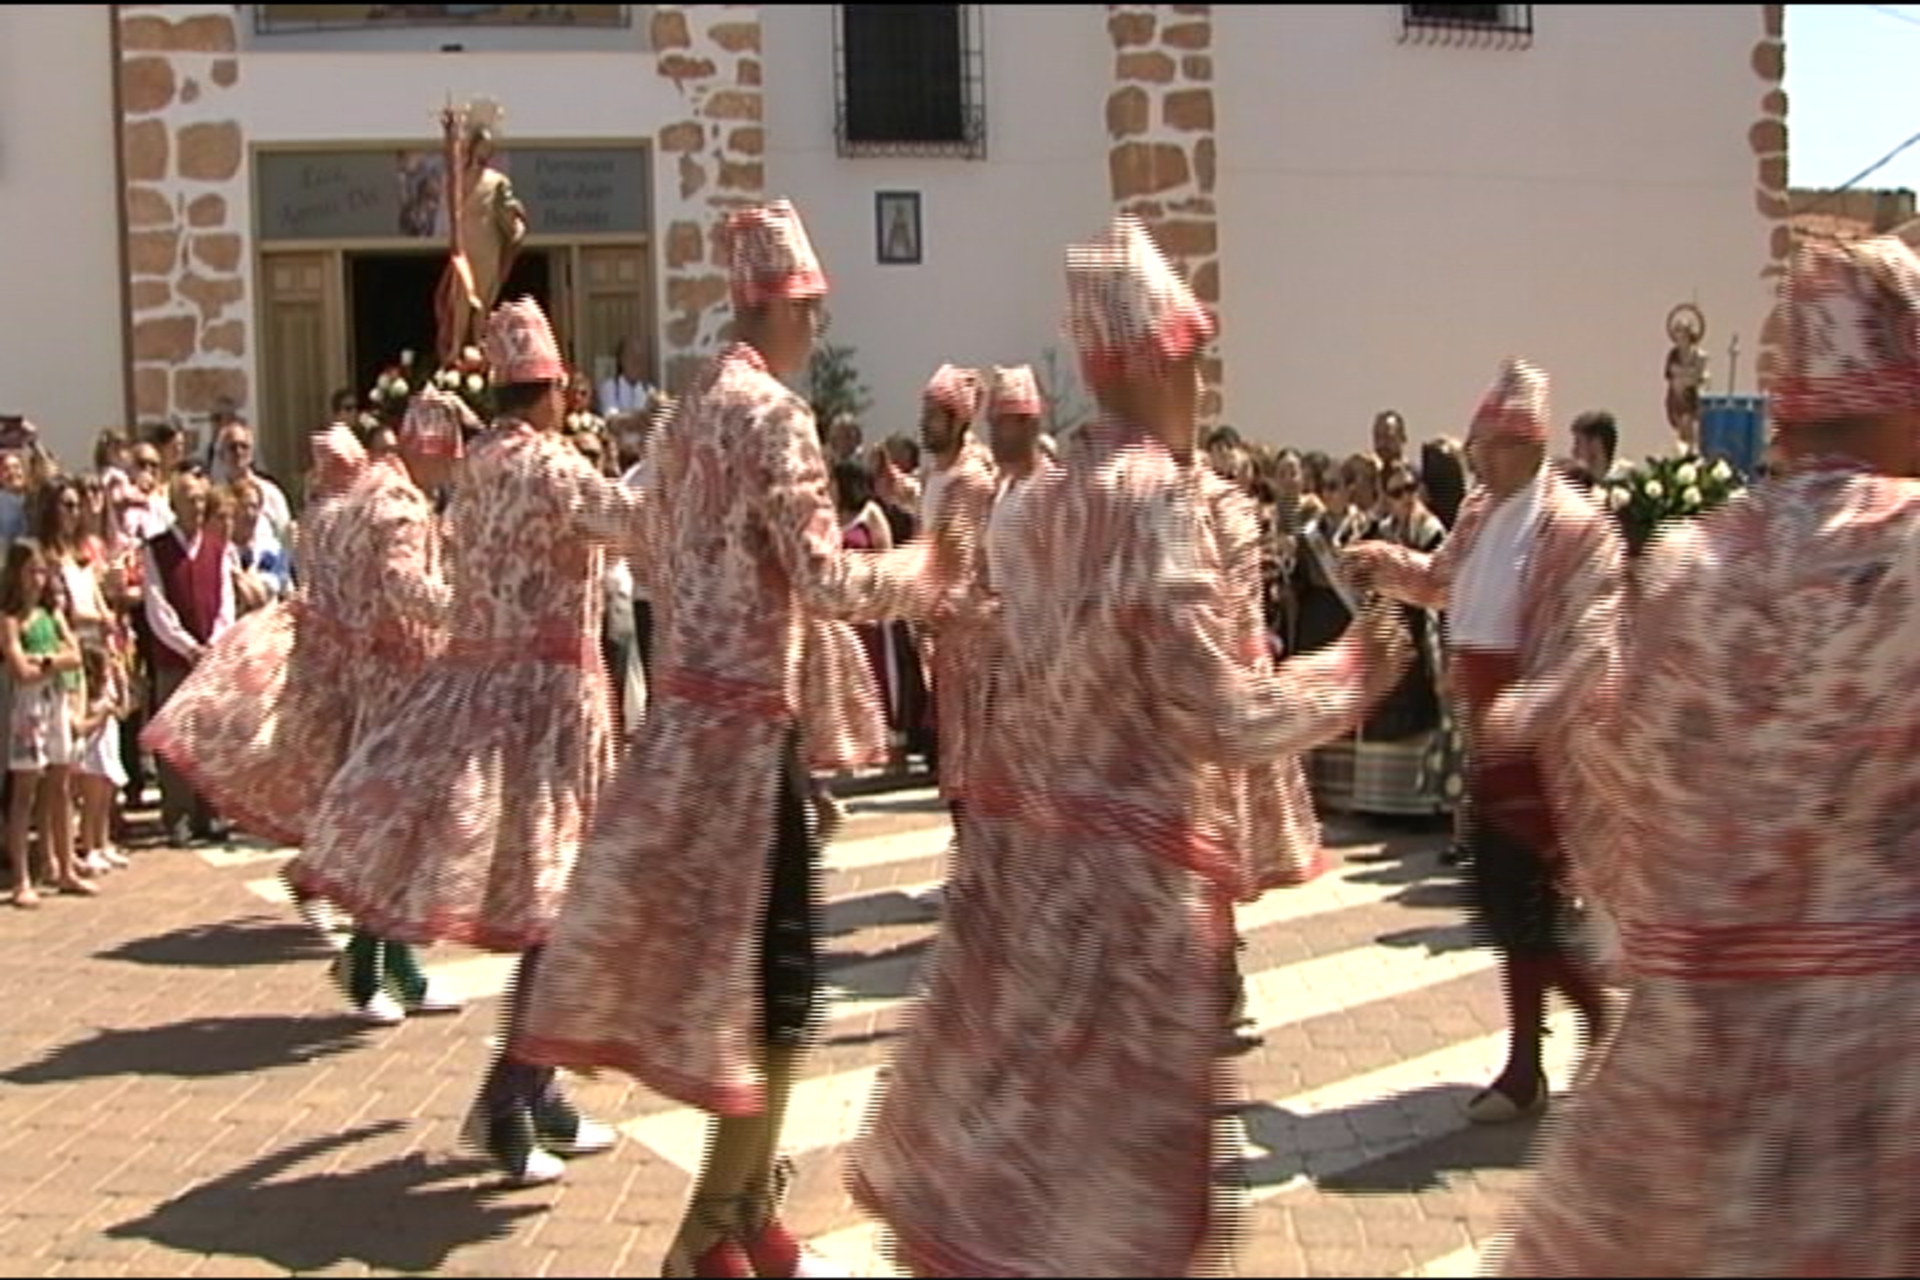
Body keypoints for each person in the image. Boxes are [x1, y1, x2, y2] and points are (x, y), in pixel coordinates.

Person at [847, 214, 1411, 1277]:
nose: (1200, 382)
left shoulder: (1034, 509)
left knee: (1030, 1178)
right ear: (1161, 363)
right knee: (1122, 1209)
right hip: (1126, 911)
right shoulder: (1153, 499)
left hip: (1025, 892)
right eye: (1193, 359)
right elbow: (1220, 718)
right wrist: (1352, 673)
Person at [516, 199, 959, 1278]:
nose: (820, 323)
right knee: (781, 993)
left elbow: (634, 531)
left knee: (750, 988)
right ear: (790, 302)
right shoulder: (772, 415)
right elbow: (825, 576)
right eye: (815, 304)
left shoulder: (684, 413)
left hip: (686, 731)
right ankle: (703, 1233)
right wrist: (929, 567)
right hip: (748, 740)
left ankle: (747, 1215)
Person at [1491, 234, 1920, 1277]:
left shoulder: (1692, 563)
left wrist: (1672, 935)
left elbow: (1608, 771)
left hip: (1690, 1066)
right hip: (1872, 1082)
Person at [299, 298, 641, 1184]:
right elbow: (630, 521)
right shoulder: (554, 468)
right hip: (550, 709)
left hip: (489, 693)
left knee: (551, 906)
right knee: (558, 910)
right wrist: (673, 453)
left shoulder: (478, 466)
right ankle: (510, 1096)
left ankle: (537, 1092)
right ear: (557, 389)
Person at [1345, 358, 1623, 1124]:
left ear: (1533, 444)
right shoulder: (1475, 514)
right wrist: (1389, 566)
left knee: (1515, 897)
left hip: (1548, 741)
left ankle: (1549, 1049)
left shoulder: (1575, 526)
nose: (1483, 457)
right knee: (1507, 900)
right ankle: (1553, 1044)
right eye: (1479, 443)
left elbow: (1591, 639)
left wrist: (1532, 705)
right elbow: (1441, 583)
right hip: (1490, 731)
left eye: (1498, 443)